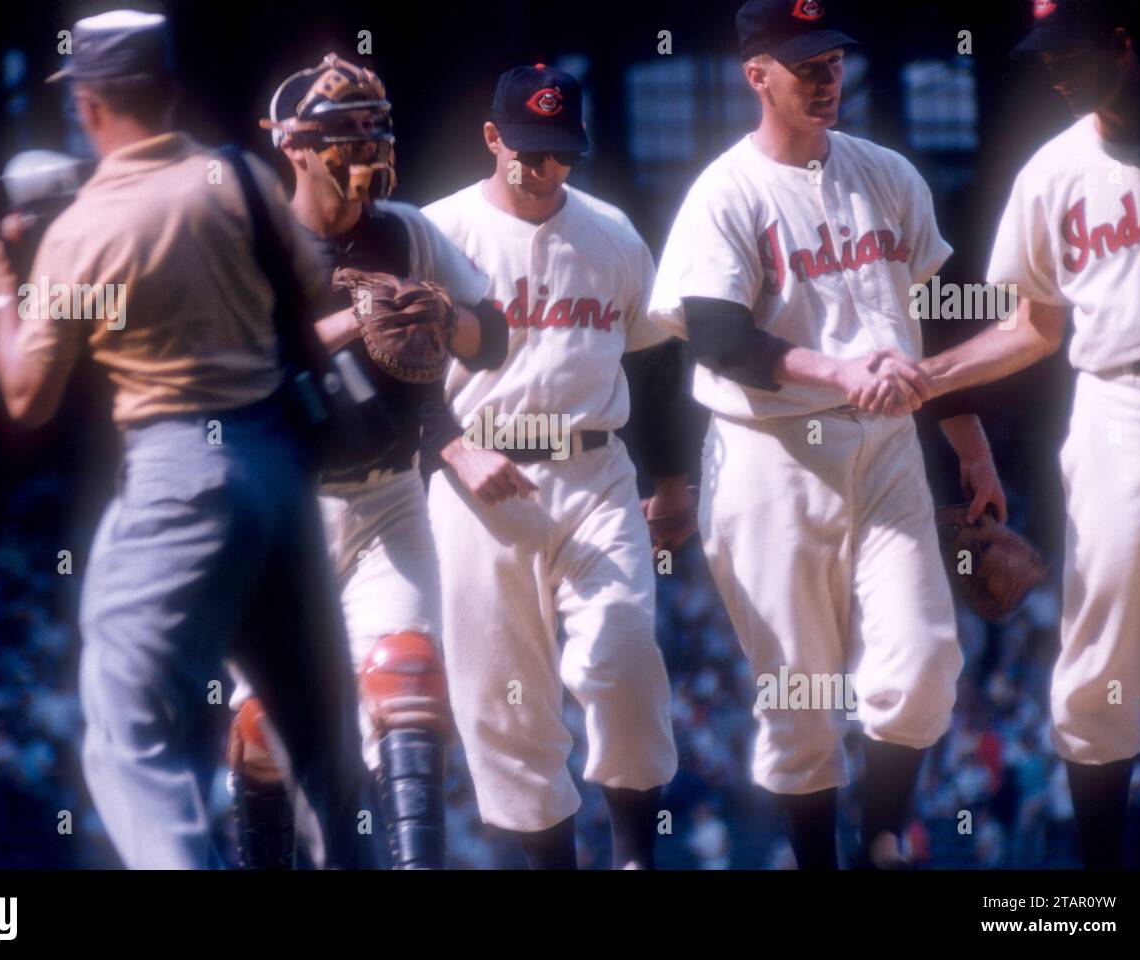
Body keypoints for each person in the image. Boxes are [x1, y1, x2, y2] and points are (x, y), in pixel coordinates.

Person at [0, 9, 361, 868]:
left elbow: (28, 397)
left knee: (128, 728)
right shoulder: (242, 180)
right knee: (320, 727)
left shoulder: (82, 232)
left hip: (182, 475)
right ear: (169, 90)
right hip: (282, 469)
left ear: (90, 107)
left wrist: (2, 290)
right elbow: (311, 288)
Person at [649, 0, 1005, 868]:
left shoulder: (886, 173)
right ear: (756, 73)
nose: (825, 76)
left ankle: (881, 834)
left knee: (923, 666)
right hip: (768, 458)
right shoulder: (724, 194)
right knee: (800, 703)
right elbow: (723, 339)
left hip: (885, 448)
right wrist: (841, 370)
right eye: (803, 61)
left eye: (833, 59)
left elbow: (937, 310)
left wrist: (972, 443)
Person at [225, 53, 508, 870]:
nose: (368, 148)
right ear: (297, 148)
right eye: (346, 133)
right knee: (260, 733)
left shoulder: (409, 231)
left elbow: (493, 339)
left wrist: (447, 316)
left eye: (375, 128)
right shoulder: (245, 242)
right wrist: (355, 318)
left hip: (387, 497)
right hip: (280, 513)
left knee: (409, 680)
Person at [421, 63, 686, 870]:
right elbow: (392, 378)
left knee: (622, 651)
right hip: (478, 483)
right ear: (493, 137)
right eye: (527, 151)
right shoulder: (435, 234)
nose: (542, 169)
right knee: (505, 709)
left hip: (593, 467)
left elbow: (656, 359)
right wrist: (456, 449)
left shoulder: (610, 233)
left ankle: (636, 855)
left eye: (559, 153)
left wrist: (672, 478)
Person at [918, 0, 1140, 869]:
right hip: (1120, 398)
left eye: (1069, 51)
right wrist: (932, 377)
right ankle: (1099, 886)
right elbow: (1033, 327)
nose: (1053, 69)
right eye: (1044, 54)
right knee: (1098, 650)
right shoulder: (1053, 171)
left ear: (1123, 42)